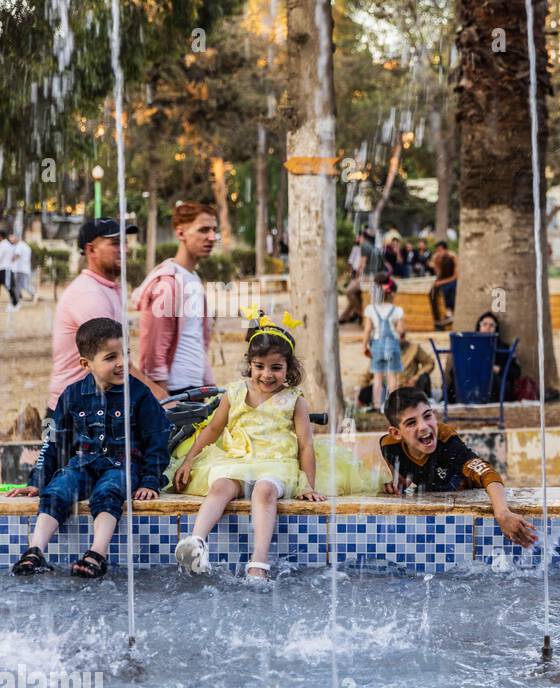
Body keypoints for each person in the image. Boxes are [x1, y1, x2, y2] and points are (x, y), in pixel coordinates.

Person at [8, 318, 168, 578]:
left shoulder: (139, 394)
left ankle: (97, 553)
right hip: (82, 464)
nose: (121, 363)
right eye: (110, 357)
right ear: (86, 364)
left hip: (122, 465)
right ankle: (35, 550)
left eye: (125, 354)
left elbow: (157, 440)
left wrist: (150, 481)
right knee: (57, 489)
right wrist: (38, 480)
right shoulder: (72, 395)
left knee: (108, 491)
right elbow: (53, 443)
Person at [172, 322, 328, 580]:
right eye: (259, 366)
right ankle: (197, 541)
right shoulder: (234, 393)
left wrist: (308, 485)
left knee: (264, 491)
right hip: (239, 459)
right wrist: (189, 460)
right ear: (250, 364)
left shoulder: (295, 400)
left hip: (277, 464)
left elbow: (306, 445)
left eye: (276, 368)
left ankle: (259, 561)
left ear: (289, 368)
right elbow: (212, 430)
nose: (267, 374)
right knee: (220, 486)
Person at [380, 386, 537, 547]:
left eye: (427, 416)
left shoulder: (447, 443)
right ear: (396, 433)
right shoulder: (390, 447)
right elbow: (399, 470)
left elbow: (487, 473)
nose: (424, 426)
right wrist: (399, 480)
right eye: (411, 423)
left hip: (465, 494)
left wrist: (503, 513)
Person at [47, 218, 139, 413]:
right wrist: (161, 397)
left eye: (125, 242)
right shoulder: (89, 294)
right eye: (115, 243)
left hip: (94, 406)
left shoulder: (109, 288)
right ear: (91, 250)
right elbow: (115, 361)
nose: (124, 249)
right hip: (72, 413)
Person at [133, 201, 218, 400]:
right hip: (174, 391)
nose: (212, 237)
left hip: (195, 387)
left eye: (214, 230)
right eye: (203, 230)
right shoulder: (168, 282)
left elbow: (198, 339)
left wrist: (209, 384)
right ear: (181, 233)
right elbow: (154, 348)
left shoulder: (193, 278)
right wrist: (163, 398)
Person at [362, 277, 405, 412]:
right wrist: (402, 334)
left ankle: (376, 404)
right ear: (391, 293)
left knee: (378, 377)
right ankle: (393, 405)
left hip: (377, 345)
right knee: (392, 376)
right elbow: (401, 330)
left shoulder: (371, 309)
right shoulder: (397, 310)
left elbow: (368, 330)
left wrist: (364, 346)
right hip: (392, 345)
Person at [340, 228, 378, 324]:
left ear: (363, 237)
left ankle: (360, 312)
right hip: (371, 276)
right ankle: (347, 316)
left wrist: (356, 276)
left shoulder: (364, 246)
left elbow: (362, 264)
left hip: (365, 277)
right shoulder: (372, 247)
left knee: (349, 292)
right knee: (355, 295)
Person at [430, 240, 458, 330]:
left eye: (440, 250)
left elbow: (455, 276)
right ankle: (438, 318)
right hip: (443, 280)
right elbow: (438, 275)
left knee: (450, 289)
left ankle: (450, 312)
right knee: (432, 292)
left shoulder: (453, 257)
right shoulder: (437, 258)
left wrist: (442, 282)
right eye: (437, 250)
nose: (438, 252)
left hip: (452, 280)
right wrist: (436, 263)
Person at [4, 231, 33, 303]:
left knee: (20, 285)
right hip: (24, 268)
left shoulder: (19, 246)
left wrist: (9, 261)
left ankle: (31, 294)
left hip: (20, 269)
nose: (11, 239)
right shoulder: (24, 245)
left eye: (12, 237)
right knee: (21, 285)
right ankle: (19, 297)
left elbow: (17, 255)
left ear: (17, 237)